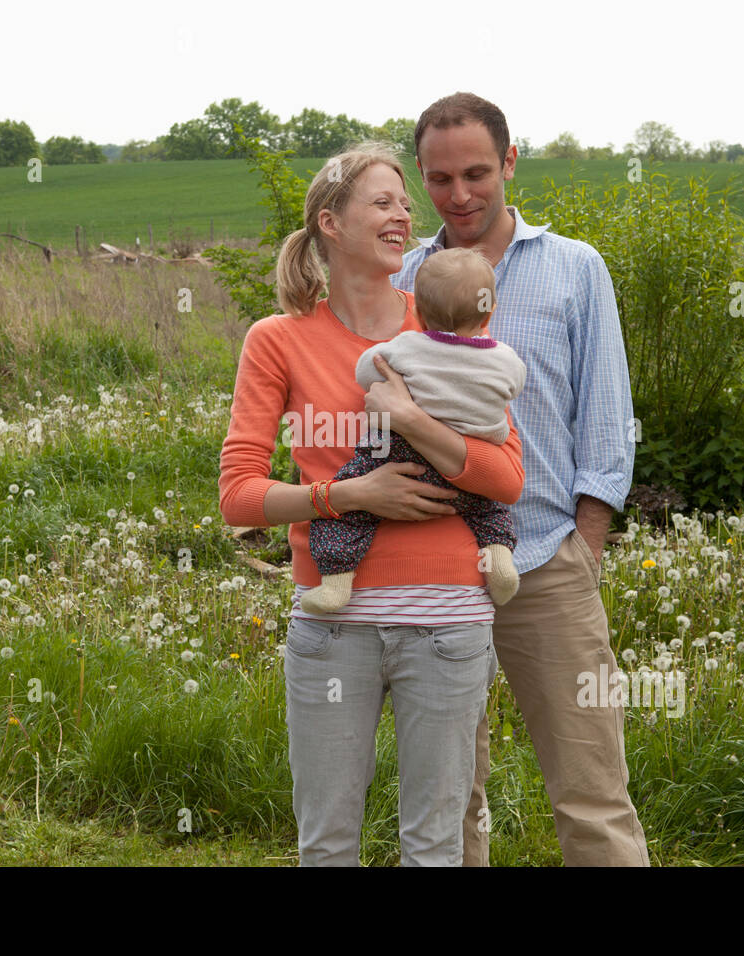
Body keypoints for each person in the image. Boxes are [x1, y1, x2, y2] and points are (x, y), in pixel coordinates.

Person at [218, 142, 524, 866]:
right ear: (330, 221)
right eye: (382, 201)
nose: (404, 215)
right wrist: (349, 493)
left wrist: (412, 422)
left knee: (434, 847)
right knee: (326, 846)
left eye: (403, 203)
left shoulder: (447, 321)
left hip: (449, 625)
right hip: (334, 630)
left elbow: (506, 481)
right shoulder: (278, 341)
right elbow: (239, 495)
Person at [390, 92, 650, 866]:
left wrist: (585, 547)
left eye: (476, 172)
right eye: (439, 179)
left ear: (509, 162)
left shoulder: (574, 268)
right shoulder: (404, 276)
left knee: (592, 789)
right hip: (432, 569)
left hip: (544, 561)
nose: (459, 195)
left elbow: (606, 421)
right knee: (447, 798)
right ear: (421, 177)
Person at [301, 246, 526, 614]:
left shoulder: (406, 347)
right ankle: (499, 558)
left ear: (419, 313)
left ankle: (336, 581)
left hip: (399, 456)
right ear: (490, 309)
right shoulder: (505, 358)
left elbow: (366, 373)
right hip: (466, 465)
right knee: (489, 510)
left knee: (347, 509)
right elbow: (513, 387)